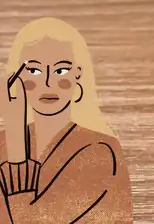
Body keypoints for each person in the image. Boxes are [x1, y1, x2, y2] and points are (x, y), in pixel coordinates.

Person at [0, 18, 133, 223]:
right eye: (34, 71)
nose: (47, 83)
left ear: (77, 75)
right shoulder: (3, 143)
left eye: (60, 71)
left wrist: (16, 141)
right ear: (16, 77)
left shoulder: (101, 151)